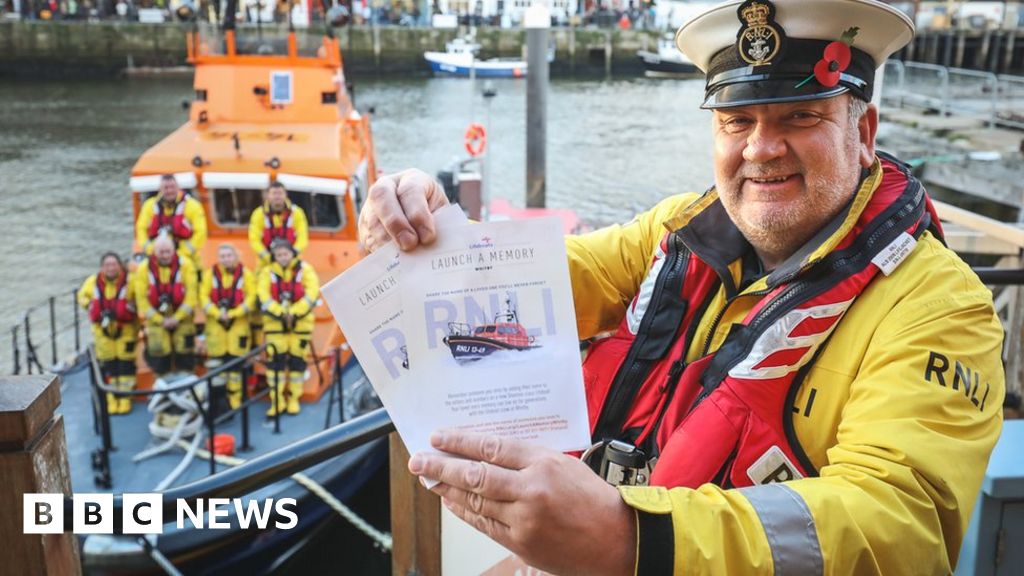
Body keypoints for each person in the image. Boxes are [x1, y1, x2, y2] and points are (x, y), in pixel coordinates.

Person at [356, 1, 1006, 574]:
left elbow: (894, 530)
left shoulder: (943, 308)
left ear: (862, 135)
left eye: (799, 116)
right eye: (736, 120)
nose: (762, 148)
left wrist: (627, 539)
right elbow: (541, 281)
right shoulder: (675, 231)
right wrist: (431, 237)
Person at [258, 238, 320, 416]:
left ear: (292, 253)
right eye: (278, 255)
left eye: (285, 253)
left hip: (300, 325)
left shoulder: (306, 270)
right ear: (274, 256)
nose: (282, 257)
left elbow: (311, 293)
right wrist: (281, 313)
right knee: (274, 365)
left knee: (297, 363)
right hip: (275, 326)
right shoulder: (266, 273)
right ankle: (277, 402)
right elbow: (264, 296)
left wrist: (293, 312)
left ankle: (293, 400)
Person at [78, 252, 138, 415]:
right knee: (108, 367)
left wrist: (132, 306)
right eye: (107, 265)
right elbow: (82, 297)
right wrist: (90, 305)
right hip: (103, 334)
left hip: (126, 331)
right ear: (102, 267)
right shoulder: (92, 282)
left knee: (125, 367)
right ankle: (111, 398)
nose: (111, 268)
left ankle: (125, 398)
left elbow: (140, 296)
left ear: (119, 265)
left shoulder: (131, 281)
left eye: (114, 264)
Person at [200, 244, 256, 413]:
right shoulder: (209, 275)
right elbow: (203, 297)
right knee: (217, 368)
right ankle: (220, 401)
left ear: (235, 256)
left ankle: (235, 400)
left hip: (237, 327)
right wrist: (217, 313)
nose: (225, 259)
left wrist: (233, 313)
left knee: (236, 368)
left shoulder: (246, 275)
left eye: (228, 255)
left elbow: (251, 298)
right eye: (222, 256)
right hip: (216, 329)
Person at [136, 234, 199, 377]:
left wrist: (177, 318)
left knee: (185, 353)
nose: (165, 255)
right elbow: (142, 300)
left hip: (183, 319)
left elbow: (191, 296)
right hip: (157, 321)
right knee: (159, 356)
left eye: (168, 251)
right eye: (161, 252)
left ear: (173, 250)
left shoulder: (186, 265)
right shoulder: (143, 269)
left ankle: (187, 384)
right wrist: (161, 320)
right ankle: (162, 384)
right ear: (154, 252)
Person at [135, 174, 207, 270]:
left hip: (186, 255)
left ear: (178, 187)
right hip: (156, 254)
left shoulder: (193, 206)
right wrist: (151, 249)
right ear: (160, 189)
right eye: (166, 187)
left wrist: (182, 252)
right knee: (140, 270)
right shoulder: (149, 205)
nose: (169, 191)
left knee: (193, 272)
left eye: (172, 187)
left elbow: (201, 232)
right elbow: (141, 229)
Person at [248, 180, 310, 271]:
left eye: (280, 193)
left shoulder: (297, 213)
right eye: (274, 193)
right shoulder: (258, 214)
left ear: (285, 194)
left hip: (292, 261)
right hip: (266, 263)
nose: (277, 196)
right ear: (268, 195)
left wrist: (293, 253)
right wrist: (268, 257)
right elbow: (254, 240)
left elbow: (303, 236)